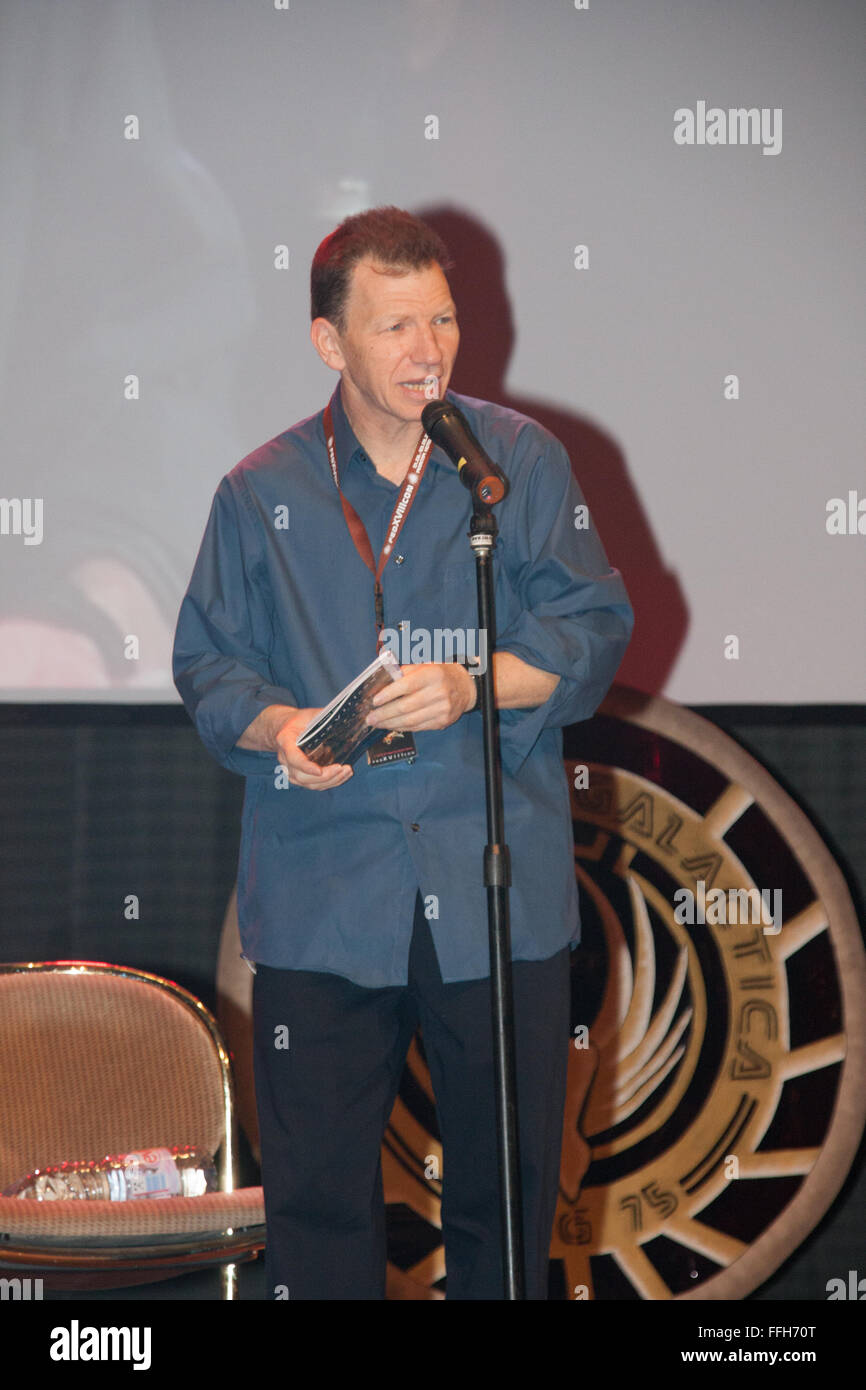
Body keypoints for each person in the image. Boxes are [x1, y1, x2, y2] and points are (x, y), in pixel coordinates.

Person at [172, 206, 633, 1300]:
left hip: (494, 892)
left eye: (442, 319)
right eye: (392, 327)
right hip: (325, 892)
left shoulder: (512, 463)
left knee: (506, 1205)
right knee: (321, 1207)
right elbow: (209, 668)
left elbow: (591, 629)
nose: (426, 348)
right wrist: (278, 728)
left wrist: (475, 682)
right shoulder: (259, 491)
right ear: (329, 342)